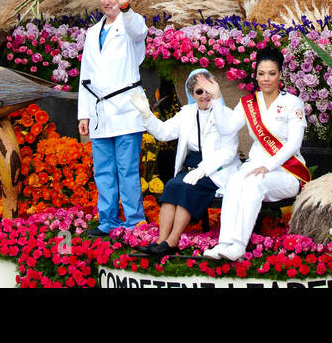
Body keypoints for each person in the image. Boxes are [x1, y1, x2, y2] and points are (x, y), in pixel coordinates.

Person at [204, 46, 308, 261]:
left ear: (280, 74)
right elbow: (227, 129)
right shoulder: (248, 103)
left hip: (288, 172)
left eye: (272, 73)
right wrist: (215, 99)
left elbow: (293, 144)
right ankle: (224, 244)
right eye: (261, 74)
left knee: (253, 183)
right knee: (233, 183)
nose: (266, 79)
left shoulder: (292, 103)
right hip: (254, 166)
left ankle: (239, 247)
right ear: (256, 75)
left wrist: (268, 166)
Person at [128, 68, 239, 256]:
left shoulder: (226, 114)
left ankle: (172, 241)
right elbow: (163, 133)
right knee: (172, 185)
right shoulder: (187, 112)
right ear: (191, 93)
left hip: (216, 168)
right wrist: (147, 114)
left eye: (207, 91)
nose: (204, 96)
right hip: (191, 164)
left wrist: (203, 170)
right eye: (199, 92)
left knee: (188, 188)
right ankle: (161, 241)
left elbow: (228, 153)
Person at [77, 0, 147, 235]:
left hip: (126, 108)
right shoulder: (93, 32)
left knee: (127, 169)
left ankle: (134, 221)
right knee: (103, 171)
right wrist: (83, 114)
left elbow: (138, 30)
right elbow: (86, 75)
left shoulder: (131, 23)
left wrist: (126, 7)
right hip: (99, 111)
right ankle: (107, 221)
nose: (108, 2)